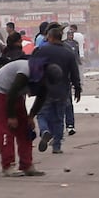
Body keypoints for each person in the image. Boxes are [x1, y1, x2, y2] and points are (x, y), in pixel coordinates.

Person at [0, 56, 42, 177]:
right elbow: (11, 94)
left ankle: (27, 165)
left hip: (16, 93)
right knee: (6, 128)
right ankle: (7, 165)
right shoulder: (25, 73)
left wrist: (31, 117)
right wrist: (11, 116)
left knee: (25, 128)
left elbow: (40, 99)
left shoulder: (46, 80)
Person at [31, 24, 82, 152]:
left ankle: (45, 131)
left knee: (42, 114)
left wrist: (32, 87)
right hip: (62, 91)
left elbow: (34, 71)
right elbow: (74, 73)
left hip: (45, 90)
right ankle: (57, 146)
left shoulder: (41, 51)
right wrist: (77, 89)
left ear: (51, 38)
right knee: (59, 118)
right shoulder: (68, 52)